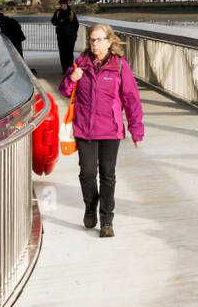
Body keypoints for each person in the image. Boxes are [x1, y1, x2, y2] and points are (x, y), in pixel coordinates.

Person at [58, 24, 144, 238]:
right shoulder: (80, 63)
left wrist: (136, 130)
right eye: (92, 40)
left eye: (99, 40)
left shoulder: (120, 66)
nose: (95, 44)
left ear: (109, 41)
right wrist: (71, 79)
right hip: (85, 129)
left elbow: (131, 99)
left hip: (110, 130)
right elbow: (64, 90)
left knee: (108, 176)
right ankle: (90, 207)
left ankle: (107, 220)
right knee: (87, 174)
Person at [50, 0, 80, 73]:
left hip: (70, 37)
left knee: (70, 53)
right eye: (61, 4)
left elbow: (76, 25)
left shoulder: (71, 13)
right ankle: (64, 69)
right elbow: (53, 22)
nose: (62, 6)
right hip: (61, 36)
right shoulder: (57, 12)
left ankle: (70, 69)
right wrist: (59, 21)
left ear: (66, 4)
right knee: (62, 53)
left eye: (63, 4)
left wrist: (74, 35)